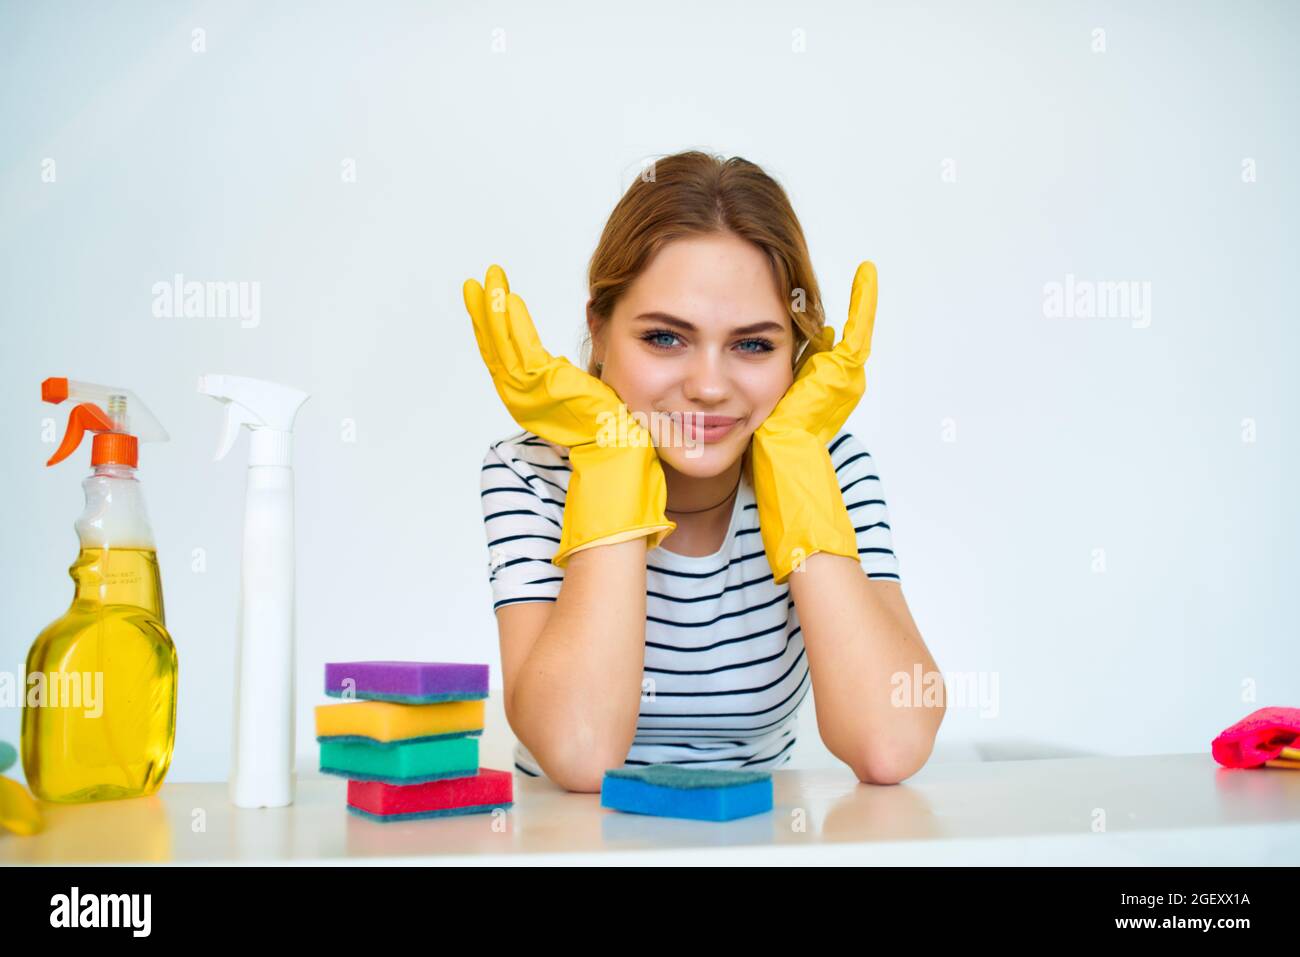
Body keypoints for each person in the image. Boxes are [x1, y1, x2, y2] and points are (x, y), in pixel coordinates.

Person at [467, 150, 943, 793]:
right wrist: (613, 461)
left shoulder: (828, 465)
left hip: (755, 842)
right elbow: (579, 753)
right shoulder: (531, 472)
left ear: (795, 351)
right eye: (665, 337)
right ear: (599, 331)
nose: (709, 386)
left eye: (753, 344)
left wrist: (796, 465)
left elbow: (891, 742)